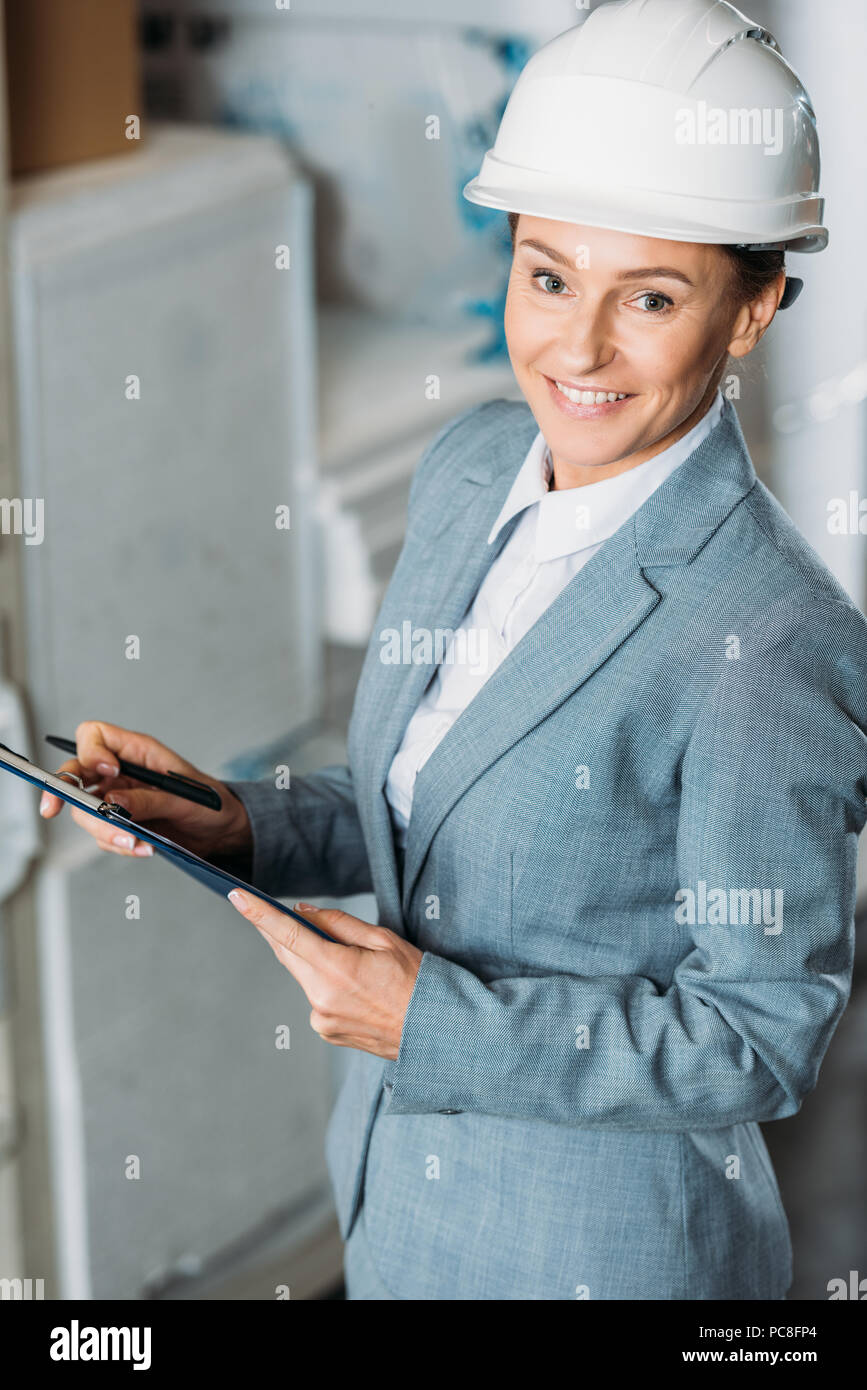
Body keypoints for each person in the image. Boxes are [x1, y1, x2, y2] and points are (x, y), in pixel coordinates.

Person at [44, 0, 867, 1299]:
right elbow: (438, 805)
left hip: (602, 1253)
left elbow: (762, 1037)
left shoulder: (772, 637)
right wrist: (236, 822)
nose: (577, 348)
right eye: (548, 275)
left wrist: (440, 1024)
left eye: (649, 296)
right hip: (395, 1196)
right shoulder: (473, 464)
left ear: (754, 308)